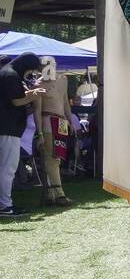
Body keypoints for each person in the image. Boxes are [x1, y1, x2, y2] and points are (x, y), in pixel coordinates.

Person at [1, 54, 46, 218]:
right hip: (8, 130)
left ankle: (5, 205)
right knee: (8, 169)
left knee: (5, 168)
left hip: (7, 129)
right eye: (31, 69)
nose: (31, 73)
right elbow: (17, 101)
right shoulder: (11, 75)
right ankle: (5, 206)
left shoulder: (7, 72)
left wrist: (32, 92)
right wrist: (36, 95)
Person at [35, 71, 77, 206]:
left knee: (56, 158)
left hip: (61, 122)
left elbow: (65, 102)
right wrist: (40, 133)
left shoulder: (62, 79)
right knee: (51, 158)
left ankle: (51, 194)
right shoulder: (39, 83)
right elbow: (37, 110)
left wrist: (71, 121)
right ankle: (58, 194)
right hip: (48, 121)